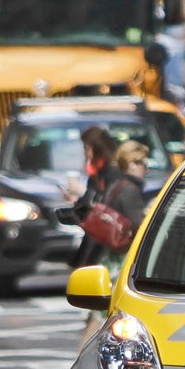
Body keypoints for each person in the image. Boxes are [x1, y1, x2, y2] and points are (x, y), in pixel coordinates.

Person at [76, 138, 150, 348]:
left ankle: (85, 353)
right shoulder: (130, 190)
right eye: (144, 163)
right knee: (104, 313)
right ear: (132, 164)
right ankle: (83, 355)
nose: (146, 169)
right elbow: (139, 224)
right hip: (121, 256)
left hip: (110, 254)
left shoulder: (117, 184)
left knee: (101, 313)